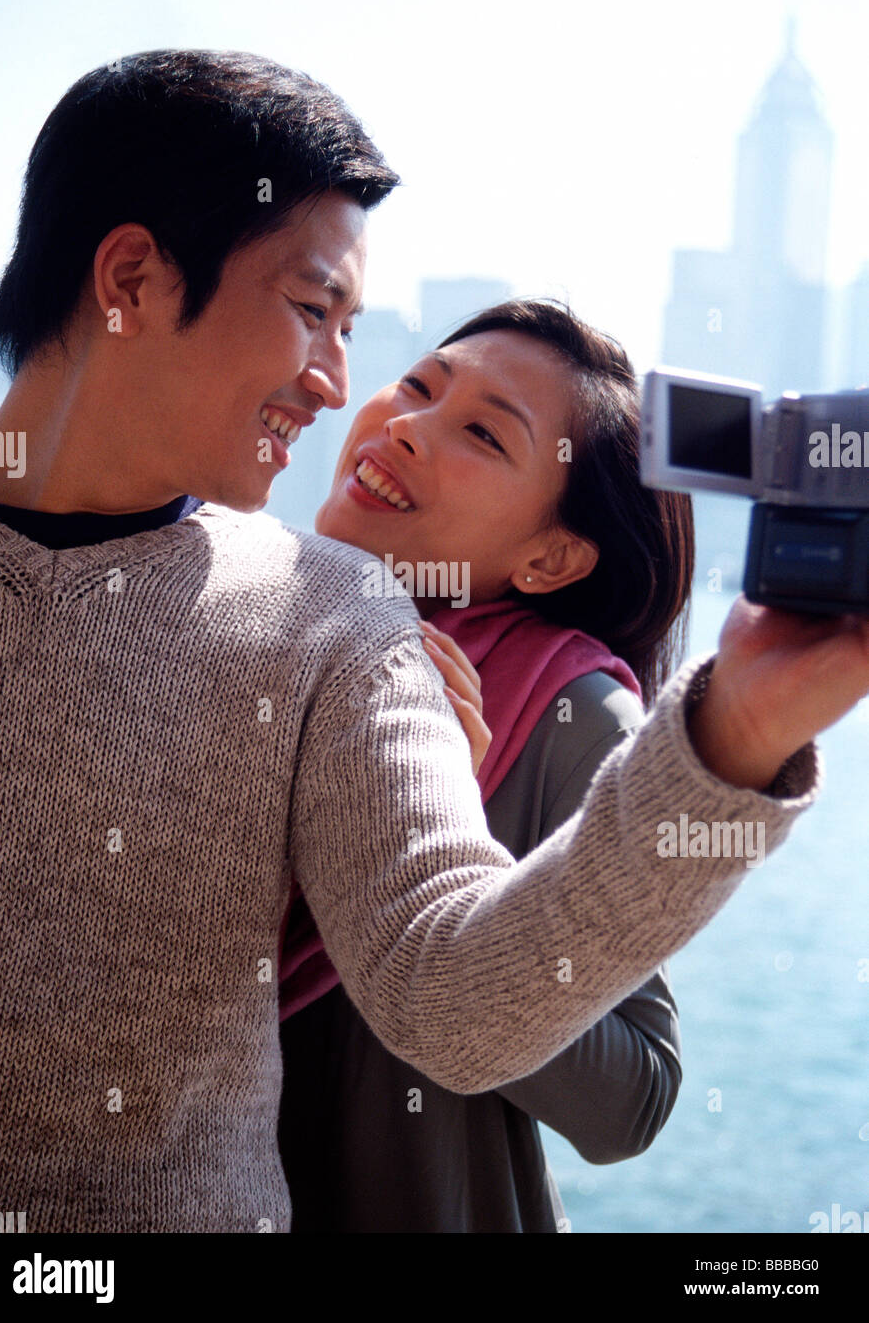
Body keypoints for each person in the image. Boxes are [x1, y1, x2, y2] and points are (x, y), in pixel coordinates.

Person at [0, 49, 864, 1234]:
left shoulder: (342, 621)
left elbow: (452, 992)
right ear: (130, 276)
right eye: (311, 311)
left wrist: (734, 731)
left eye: (353, 327)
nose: (347, 389)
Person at [277, 298, 689, 1232]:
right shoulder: (235, 621)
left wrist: (437, 843)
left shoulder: (568, 717)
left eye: (482, 434)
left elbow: (633, 1101)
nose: (408, 425)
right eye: (419, 384)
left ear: (549, 557)